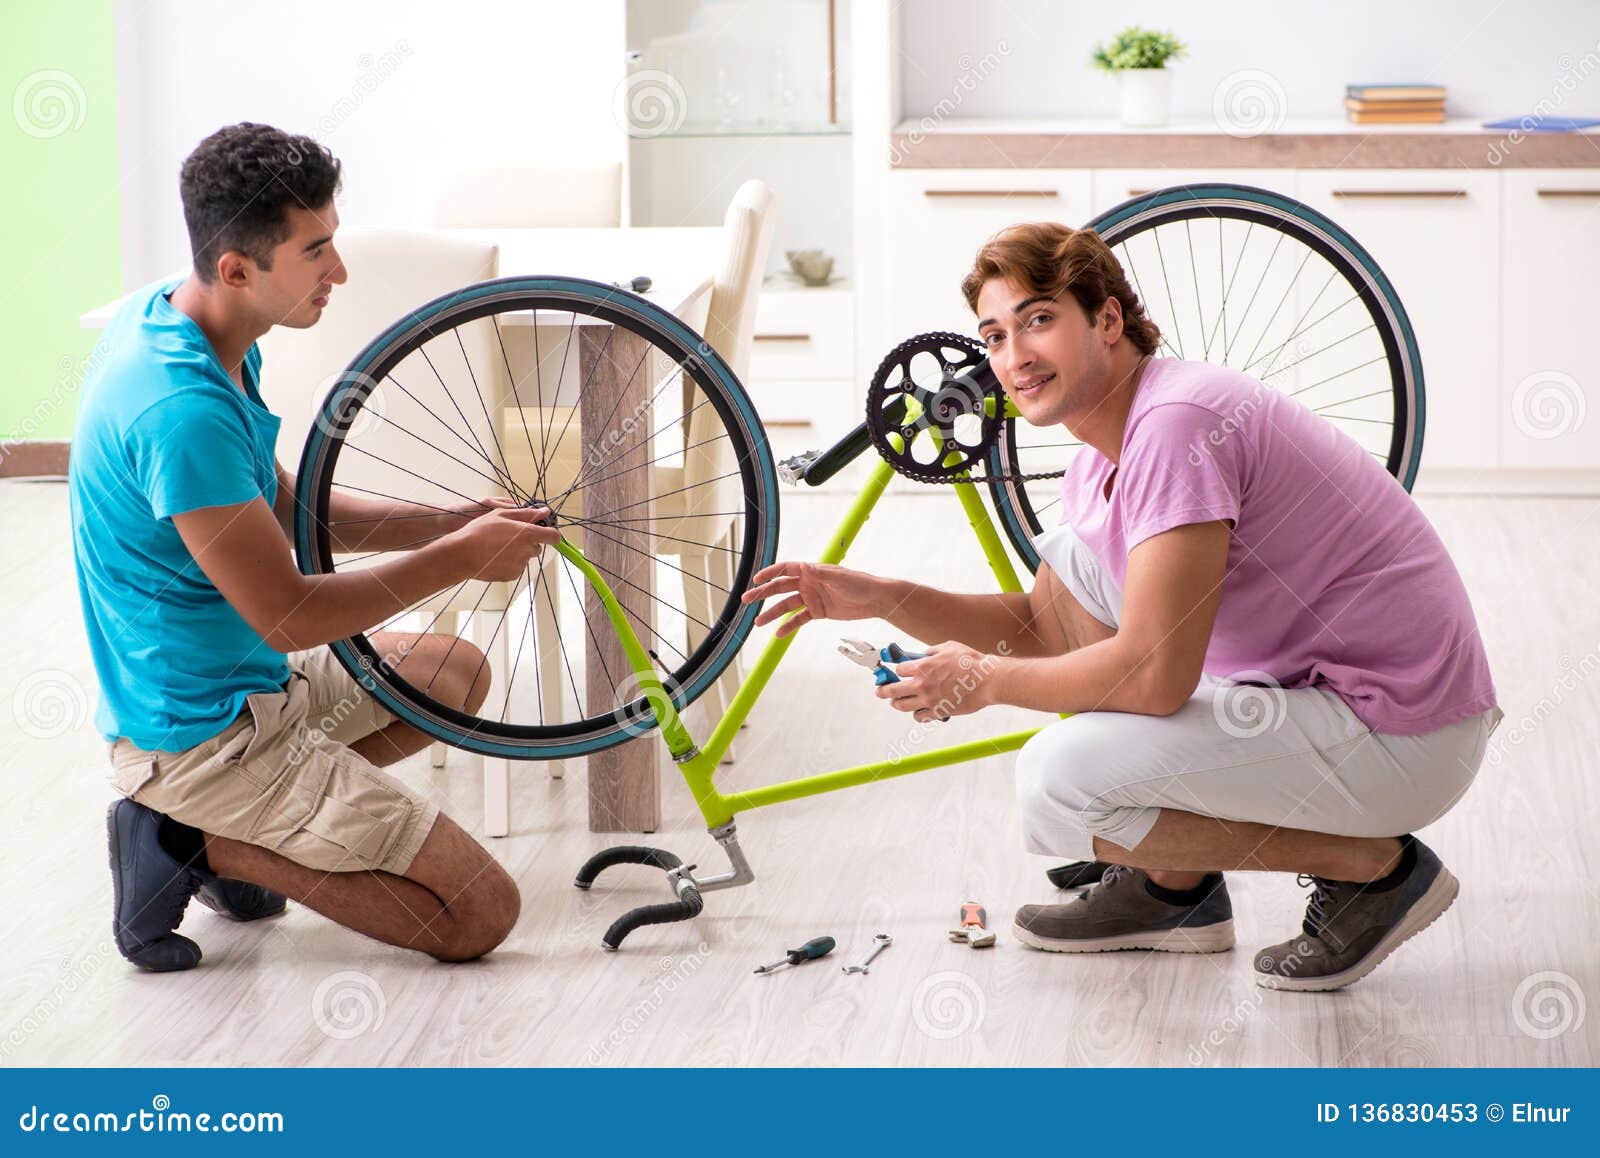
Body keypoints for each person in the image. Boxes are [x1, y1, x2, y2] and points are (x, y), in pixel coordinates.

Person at [742, 222, 1501, 991]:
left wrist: (986, 681)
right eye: (996, 335)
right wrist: (876, 597)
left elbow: (1153, 678)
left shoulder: (1177, 430)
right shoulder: (1104, 457)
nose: (1014, 357)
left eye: (1040, 320)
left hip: (1404, 732)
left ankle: (1375, 870)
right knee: (1078, 556)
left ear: (1107, 320)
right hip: (1334, 703)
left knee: (1058, 781)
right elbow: (1041, 630)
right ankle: (1175, 891)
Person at [71, 123, 557, 972]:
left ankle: (253, 829)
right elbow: (291, 613)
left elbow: (288, 508)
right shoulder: (177, 409)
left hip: (257, 688)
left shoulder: (200, 326)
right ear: (237, 269)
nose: (340, 270)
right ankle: (191, 838)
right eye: (317, 250)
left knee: (454, 675)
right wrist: (460, 559)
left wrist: (445, 520)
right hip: (202, 739)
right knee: (479, 914)